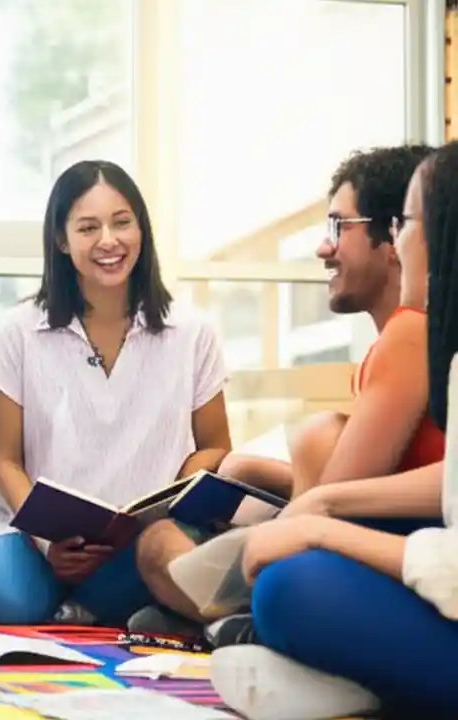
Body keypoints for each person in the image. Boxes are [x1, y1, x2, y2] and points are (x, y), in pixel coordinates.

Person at [136, 145, 440, 633]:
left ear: (393, 235)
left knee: (159, 545)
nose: (324, 247)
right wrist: (261, 473)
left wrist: (290, 492)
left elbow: (332, 500)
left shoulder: (409, 333)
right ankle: (224, 621)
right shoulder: (409, 337)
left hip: (391, 552)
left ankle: (237, 624)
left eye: (339, 226)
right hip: (387, 536)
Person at [211, 143, 458, 720]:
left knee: (289, 587)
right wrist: (320, 501)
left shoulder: (409, 337)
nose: (400, 241)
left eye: (406, 222)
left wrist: (322, 528)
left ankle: (355, 682)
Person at [0, 160, 232, 628]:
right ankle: (104, 609)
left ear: (141, 230)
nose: (109, 240)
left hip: (138, 538)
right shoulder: (18, 331)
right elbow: (4, 459)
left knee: (162, 558)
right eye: (88, 228)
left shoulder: (192, 332)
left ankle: (103, 606)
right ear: (61, 241)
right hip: (31, 534)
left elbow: (215, 446)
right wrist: (49, 544)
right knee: (9, 604)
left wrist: (177, 492)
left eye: (122, 222)